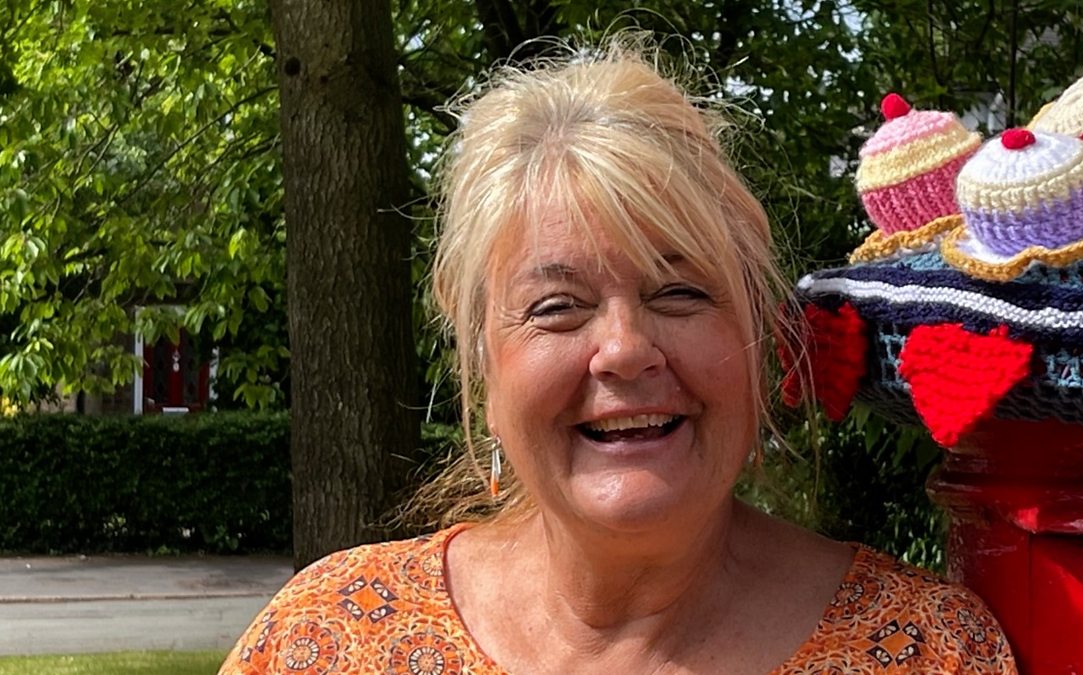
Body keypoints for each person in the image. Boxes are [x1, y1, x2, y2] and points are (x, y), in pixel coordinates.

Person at [220, 38, 1017, 675]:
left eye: (681, 294)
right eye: (557, 307)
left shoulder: (926, 649)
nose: (626, 350)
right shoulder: (325, 639)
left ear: (761, 341)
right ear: (482, 364)